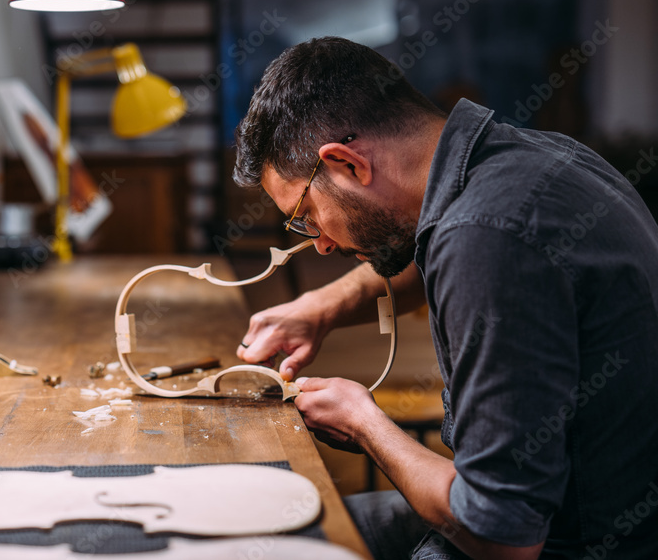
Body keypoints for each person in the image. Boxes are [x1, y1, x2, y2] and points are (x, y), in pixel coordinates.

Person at [233, 36, 658, 559]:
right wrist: (322, 307)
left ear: (348, 164)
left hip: (574, 543)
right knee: (264, 531)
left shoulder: (488, 238)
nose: (318, 242)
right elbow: (423, 245)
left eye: (306, 215)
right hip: (578, 511)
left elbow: (501, 536)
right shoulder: (530, 157)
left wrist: (365, 425)